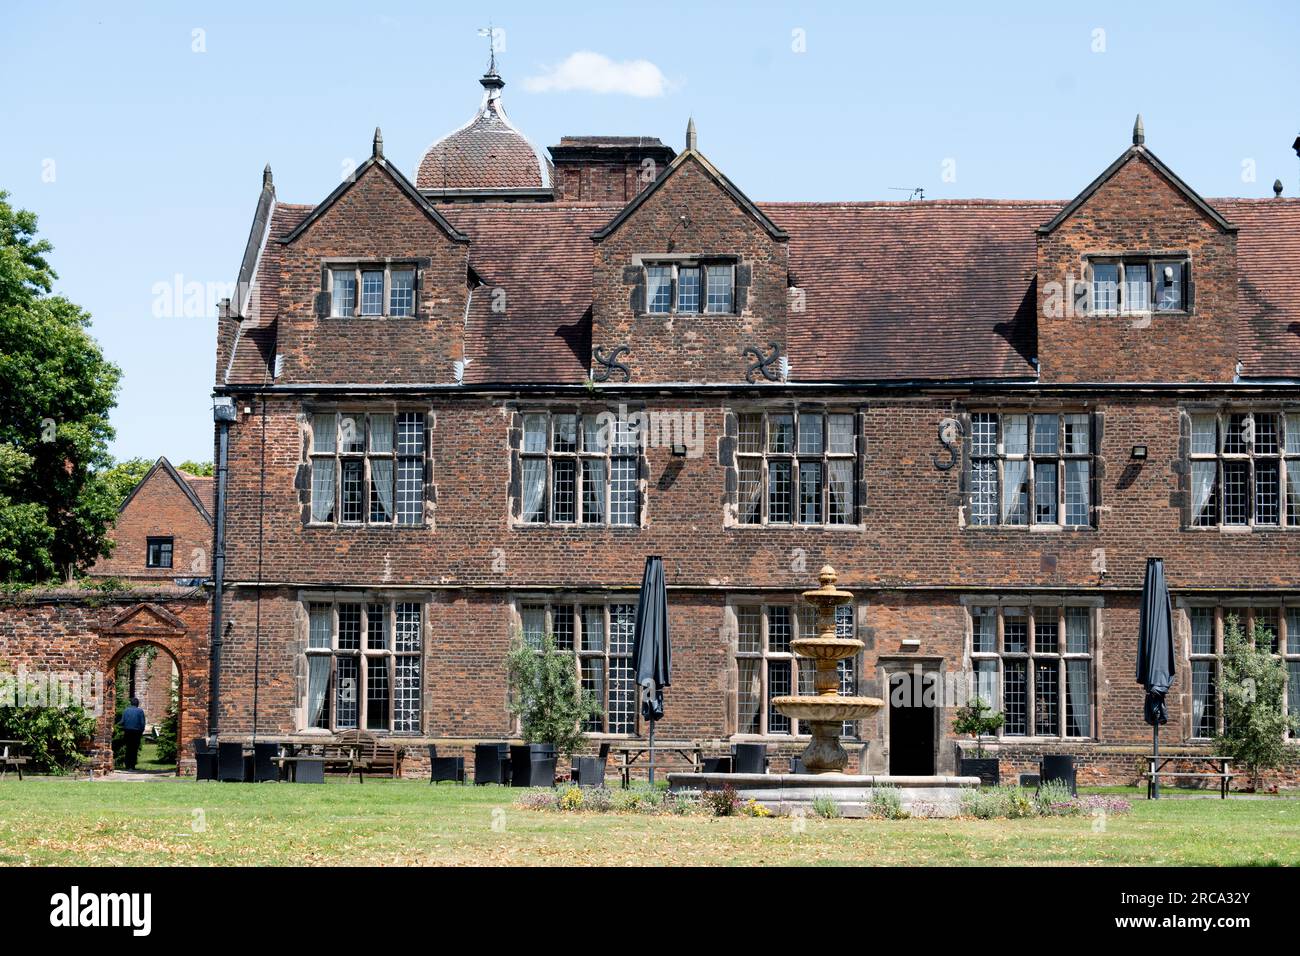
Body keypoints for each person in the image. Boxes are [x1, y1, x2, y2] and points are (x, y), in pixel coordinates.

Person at [117, 697, 146, 770]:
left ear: (131, 703)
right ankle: (132, 766)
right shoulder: (140, 711)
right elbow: (142, 723)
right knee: (134, 749)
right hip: (136, 732)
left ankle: (127, 765)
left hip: (127, 731)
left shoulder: (126, 710)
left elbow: (122, 721)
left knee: (128, 749)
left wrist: (116, 725)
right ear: (137, 704)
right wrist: (141, 732)